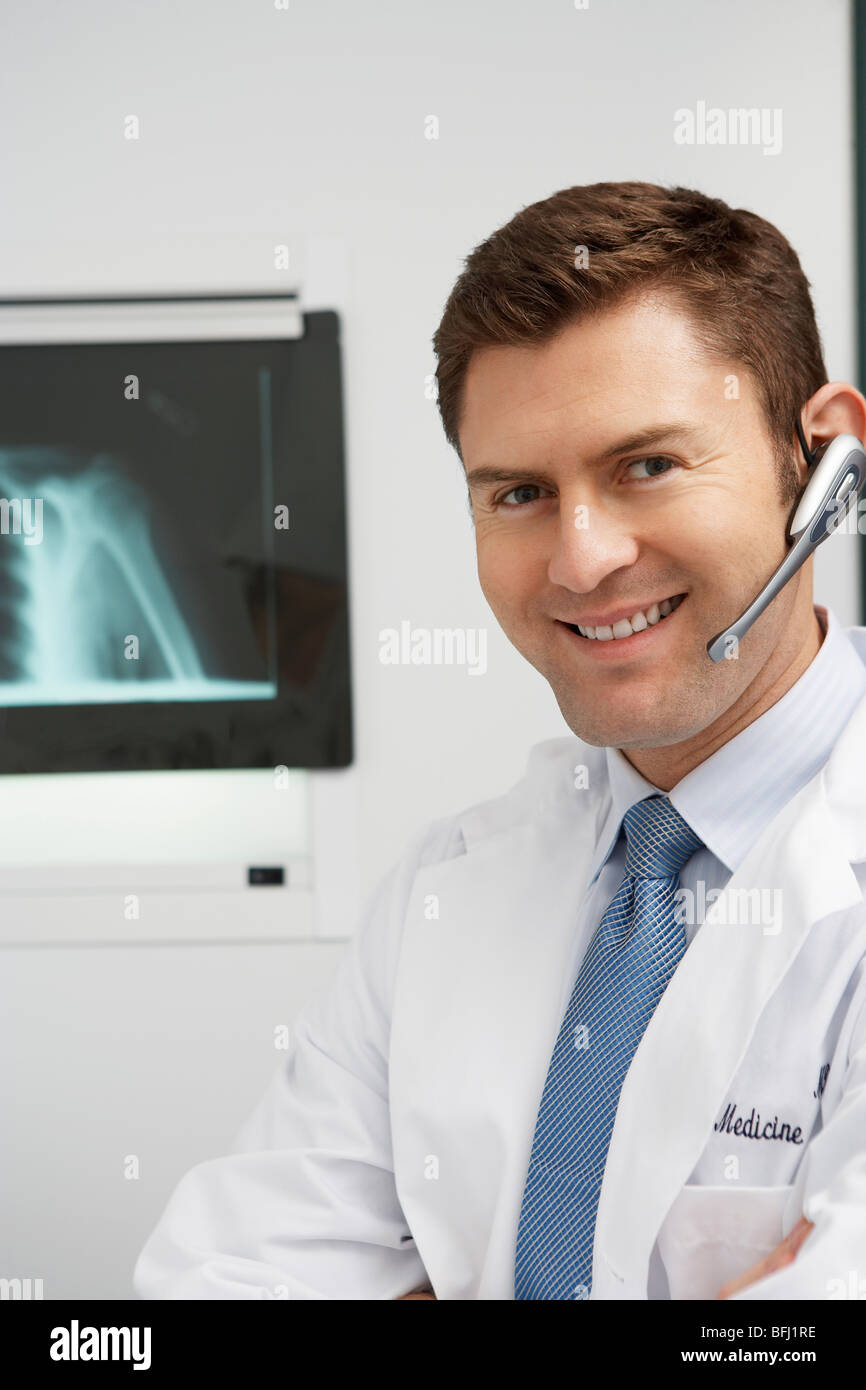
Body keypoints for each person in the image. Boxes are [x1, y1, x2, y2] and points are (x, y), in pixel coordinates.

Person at [133, 182, 866, 1300]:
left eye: (646, 466)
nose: (579, 560)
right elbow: (213, 1286)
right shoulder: (444, 892)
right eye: (519, 492)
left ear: (820, 462)